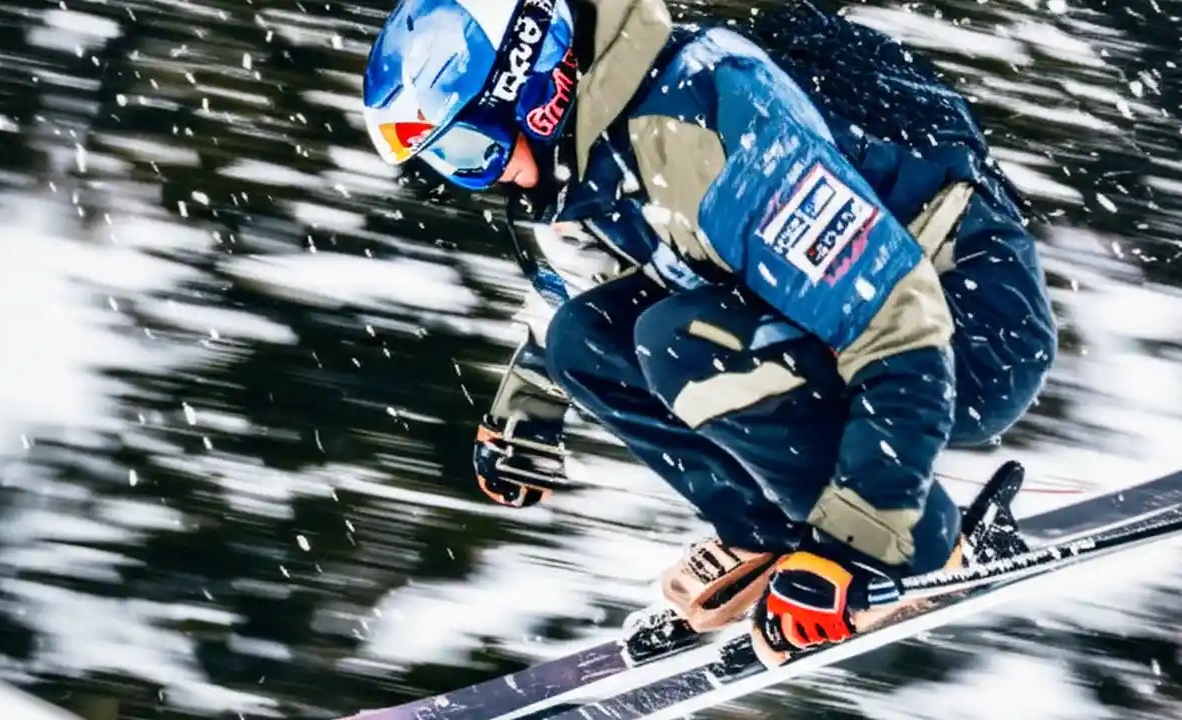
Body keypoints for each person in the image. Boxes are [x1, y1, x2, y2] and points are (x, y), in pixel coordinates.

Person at [361, 0, 1056, 661]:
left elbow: (895, 317)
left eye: (473, 150)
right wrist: (528, 412)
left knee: (679, 339)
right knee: (587, 338)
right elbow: (580, 294)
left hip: (972, 327)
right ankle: (772, 535)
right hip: (867, 325)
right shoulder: (589, 158)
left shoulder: (704, 127)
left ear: (538, 78)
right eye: (446, 168)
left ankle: (912, 543)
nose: (481, 180)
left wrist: (864, 538)